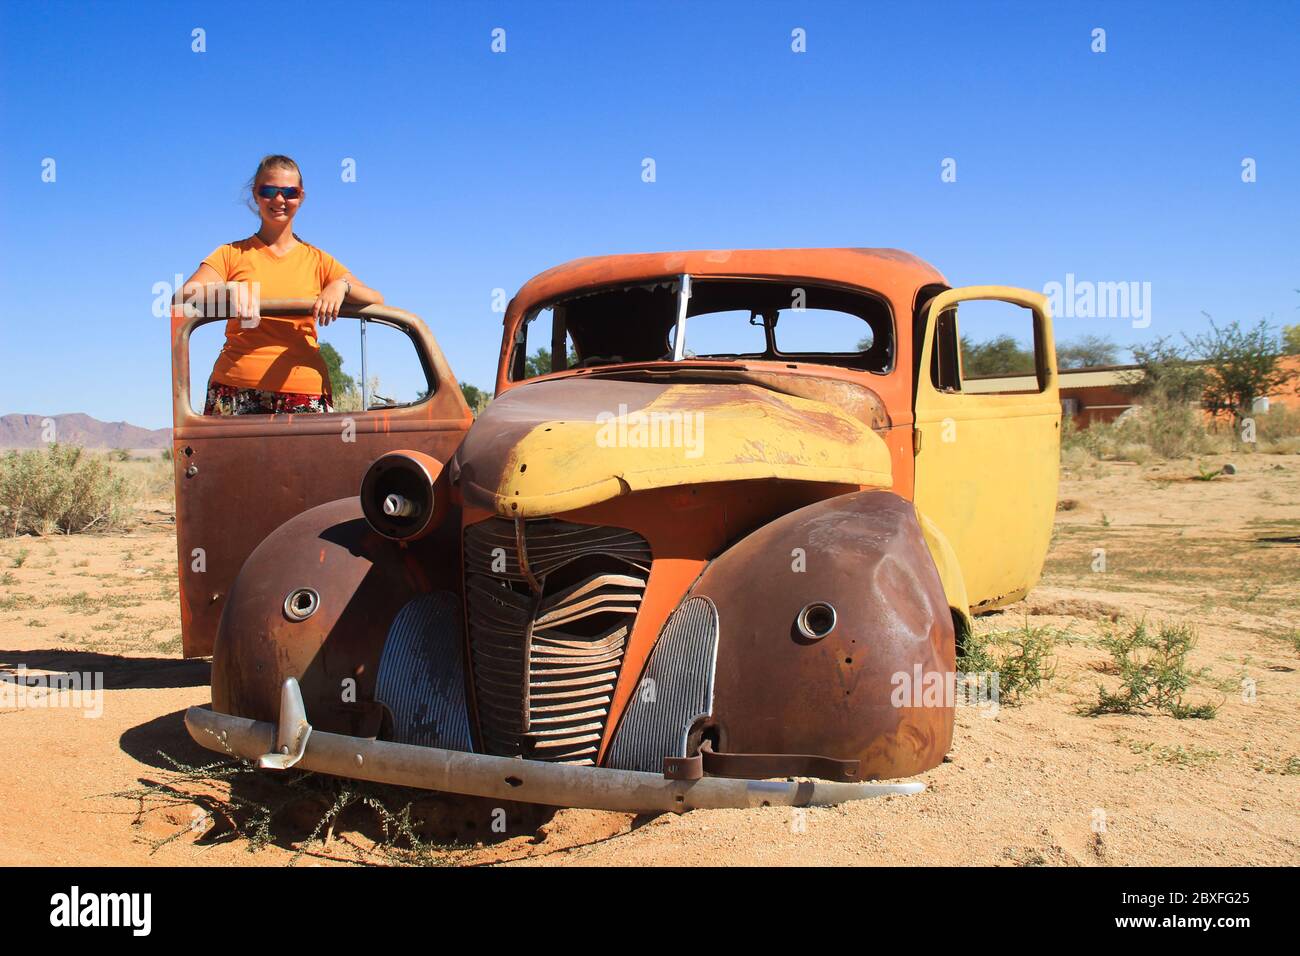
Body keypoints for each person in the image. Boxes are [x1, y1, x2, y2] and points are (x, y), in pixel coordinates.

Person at [176, 155, 384, 415]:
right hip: (235, 389)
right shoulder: (231, 254)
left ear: (301, 196)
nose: (279, 200)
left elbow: (376, 298)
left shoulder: (318, 260)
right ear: (255, 194)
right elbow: (183, 296)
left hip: (304, 391)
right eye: (269, 191)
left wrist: (342, 286)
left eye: (289, 192)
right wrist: (227, 290)